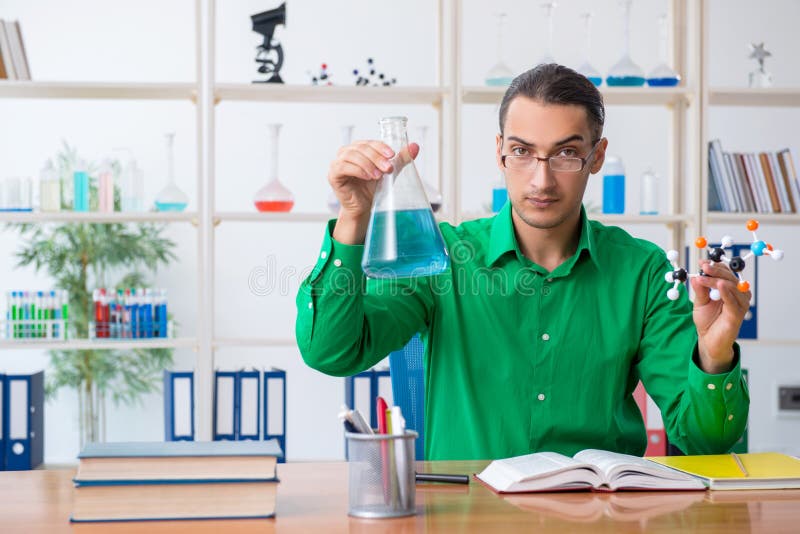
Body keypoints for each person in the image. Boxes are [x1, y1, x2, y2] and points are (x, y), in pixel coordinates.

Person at [296, 64, 749, 461]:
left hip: (599, 512)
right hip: (469, 511)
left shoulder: (644, 272)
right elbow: (333, 352)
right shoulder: (443, 258)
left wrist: (714, 356)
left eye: (567, 153)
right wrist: (353, 216)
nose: (542, 180)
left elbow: (704, 441)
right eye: (522, 151)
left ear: (597, 157)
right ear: (500, 152)